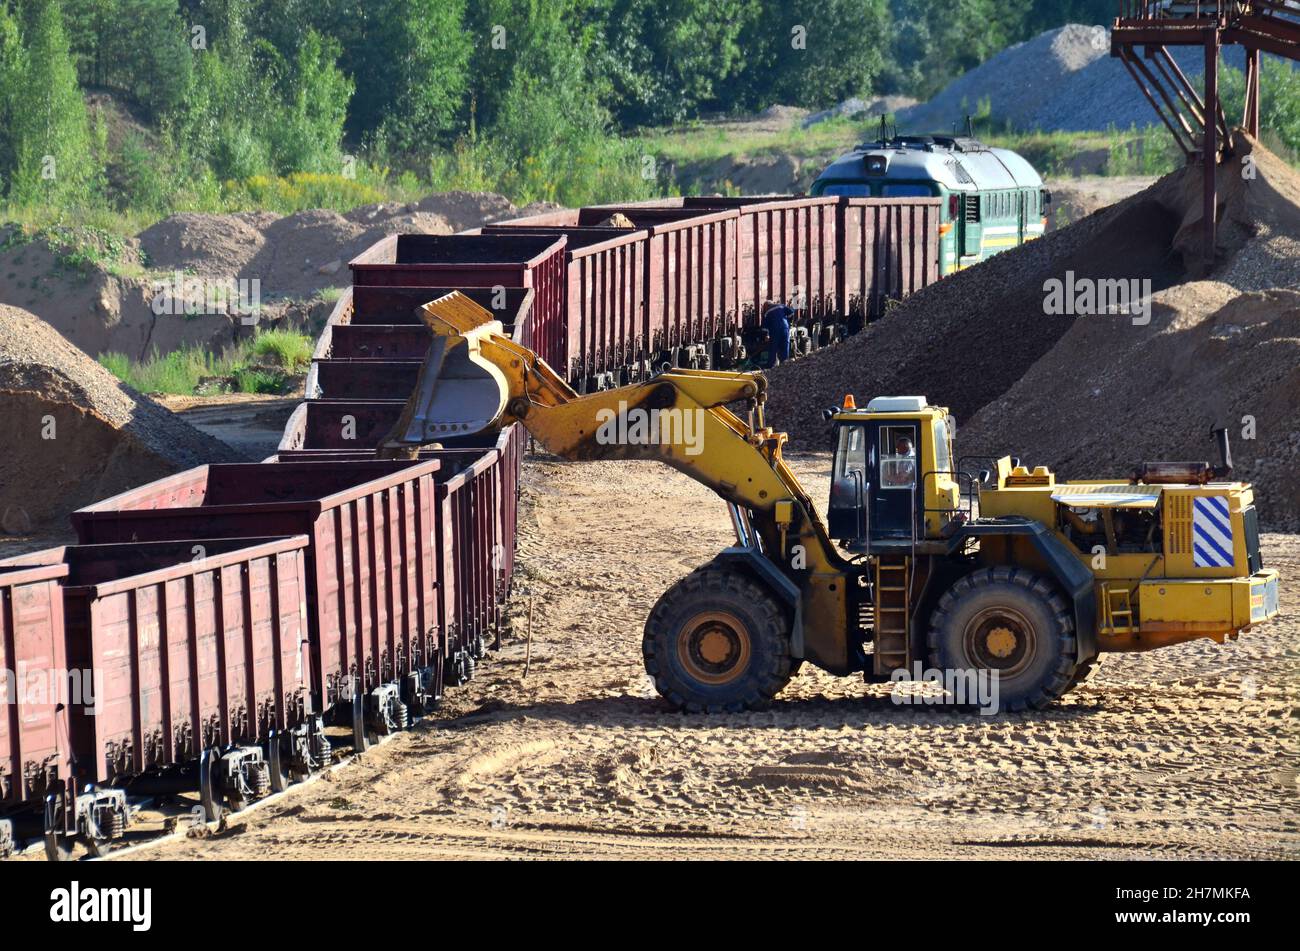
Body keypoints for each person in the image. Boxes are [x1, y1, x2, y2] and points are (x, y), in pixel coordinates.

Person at [761, 300, 795, 369]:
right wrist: (790, 322)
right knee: (785, 345)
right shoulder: (781, 306)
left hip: (774, 330)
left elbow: (765, 327)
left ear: (766, 306)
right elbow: (791, 313)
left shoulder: (767, 313)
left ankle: (771, 365)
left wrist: (766, 335)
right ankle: (784, 363)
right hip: (785, 328)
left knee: (773, 347)